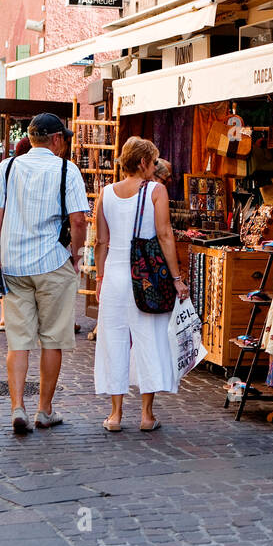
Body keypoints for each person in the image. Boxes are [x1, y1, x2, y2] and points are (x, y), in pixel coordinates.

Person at [0, 113, 89, 435]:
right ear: (57, 139)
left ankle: (18, 407)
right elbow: (79, 221)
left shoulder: (8, 167)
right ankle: (44, 410)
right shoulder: (66, 169)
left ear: (31, 138)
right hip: (52, 263)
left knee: (18, 342)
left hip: (13, 264)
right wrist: (76, 256)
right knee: (52, 340)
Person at [93, 138, 189, 432]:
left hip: (114, 275)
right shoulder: (155, 191)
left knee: (114, 341)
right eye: (153, 161)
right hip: (146, 276)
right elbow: (164, 235)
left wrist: (99, 278)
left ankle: (115, 415)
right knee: (149, 339)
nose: (155, 167)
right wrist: (176, 278)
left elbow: (101, 242)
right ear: (144, 162)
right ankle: (146, 415)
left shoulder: (105, 193)